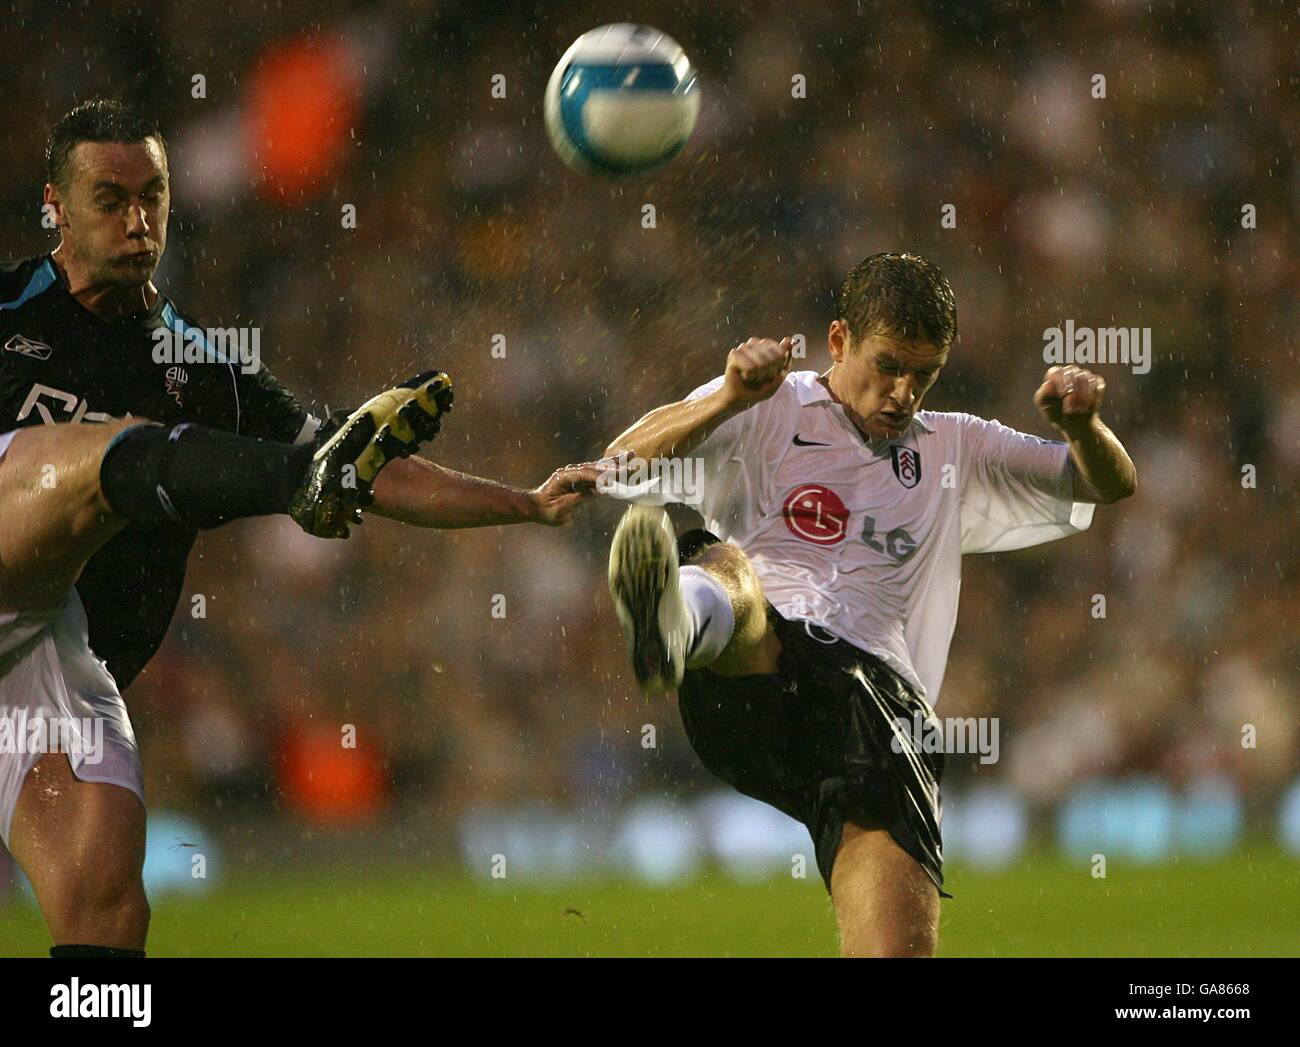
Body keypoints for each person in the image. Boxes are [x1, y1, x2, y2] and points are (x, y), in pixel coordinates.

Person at [0, 98, 598, 957]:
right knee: (113, 456)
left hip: (41, 658)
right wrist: (312, 478)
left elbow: (365, 464)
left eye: (154, 195)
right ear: (55, 206)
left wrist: (526, 502)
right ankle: (293, 486)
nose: (138, 220)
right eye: (109, 198)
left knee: (106, 908)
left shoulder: (196, 366)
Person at [603, 252, 1136, 956]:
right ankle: (674, 625)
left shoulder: (956, 446)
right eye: (888, 365)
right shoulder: (768, 403)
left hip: (875, 714)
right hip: (754, 661)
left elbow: (1109, 483)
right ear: (837, 341)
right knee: (729, 563)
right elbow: (619, 467)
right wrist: (727, 398)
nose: (904, 391)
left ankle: (685, 617)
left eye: (924, 373)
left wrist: (1082, 425)